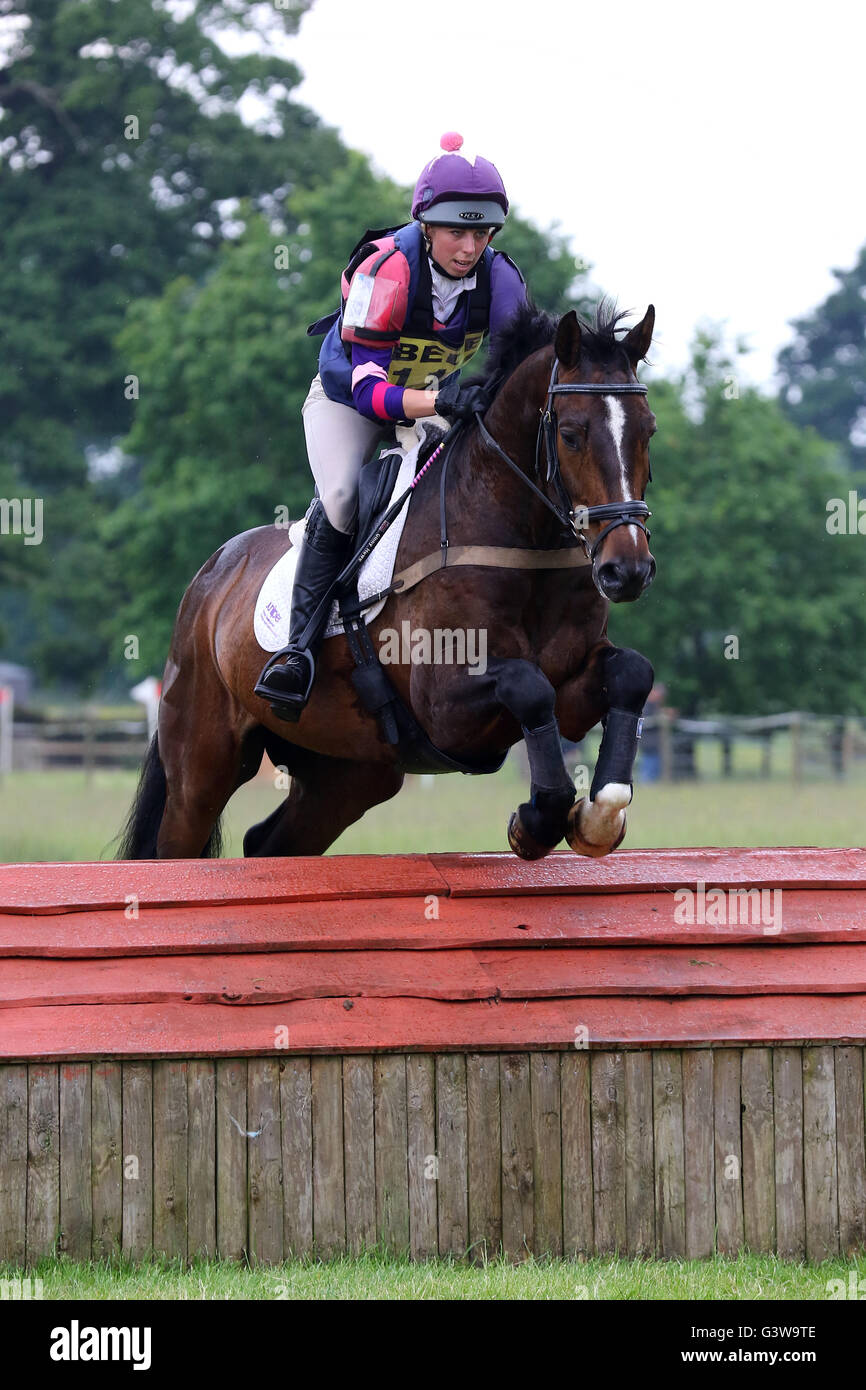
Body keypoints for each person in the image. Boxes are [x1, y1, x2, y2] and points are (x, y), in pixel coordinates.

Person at [255, 132, 529, 721]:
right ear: (426, 226)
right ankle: (297, 649)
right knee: (342, 497)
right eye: (457, 230)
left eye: (481, 233)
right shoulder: (387, 271)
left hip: (430, 402)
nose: (469, 246)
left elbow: (521, 365)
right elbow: (367, 390)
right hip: (350, 401)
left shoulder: (502, 283)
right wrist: (440, 406)